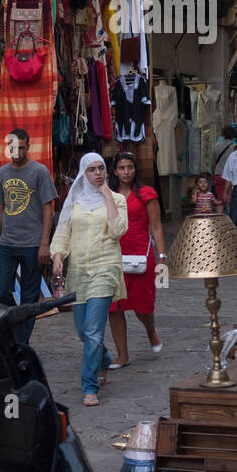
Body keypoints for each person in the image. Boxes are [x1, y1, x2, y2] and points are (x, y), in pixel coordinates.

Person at [50, 153, 127, 407]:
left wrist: (107, 197)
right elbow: (63, 230)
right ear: (84, 173)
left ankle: (89, 386)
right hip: (79, 272)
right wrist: (58, 254)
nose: (98, 173)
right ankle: (103, 359)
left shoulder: (117, 199)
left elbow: (118, 231)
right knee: (84, 333)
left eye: (101, 169)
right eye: (92, 169)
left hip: (105, 268)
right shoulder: (74, 203)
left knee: (94, 331)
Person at [0, 129, 57, 345]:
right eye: (12, 147)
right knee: (1, 292)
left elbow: (48, 209)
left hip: (32, 244)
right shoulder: (2, 174)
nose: (16, 152)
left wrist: (44, 243)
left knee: (29, 298)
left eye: (21, 147)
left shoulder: (40, 172)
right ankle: (13, 329)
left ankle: (21, 343)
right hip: (7, 243)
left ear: (28, 147)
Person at [107, 152, 166, 369]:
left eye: (129, 167)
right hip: (113, 256)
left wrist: (162, 257)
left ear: (135, 170)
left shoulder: (146, 194)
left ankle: (151, 331)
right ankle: (122, 355)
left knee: (143, 305)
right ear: (115, 171)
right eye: (121, 168)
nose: (125, 172)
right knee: (114, 307)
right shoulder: (108, 195)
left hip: (141, 255)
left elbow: (157, 226)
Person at [211, 124, 237, 204]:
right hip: (230, 176)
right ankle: (231, 216)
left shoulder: (216, 146)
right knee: (231, 198)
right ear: (233, 135)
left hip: (218, 174)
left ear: (223, 134)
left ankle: (220, 216)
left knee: (220, 200)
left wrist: (213, 176)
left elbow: (213, 164)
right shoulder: (235, 147)